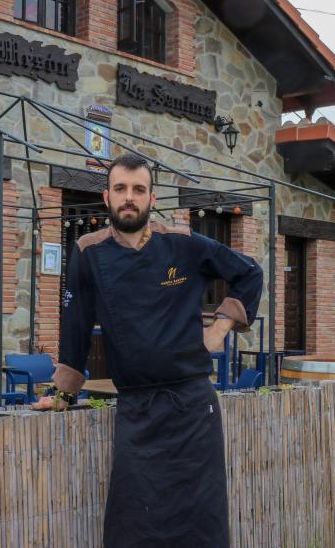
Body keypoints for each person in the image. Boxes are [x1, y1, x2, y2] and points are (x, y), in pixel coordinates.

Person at [34, 152, 263, 547]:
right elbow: (76, 325)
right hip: (137, 410)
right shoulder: (89, 251)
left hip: (193, 408)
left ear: (152, 199)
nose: (129, 197)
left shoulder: (183, 244)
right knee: (133, 528)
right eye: (121, 188)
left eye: (138, 189)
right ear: (106, 197)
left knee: (202, 527)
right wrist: (64, 391)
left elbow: (250, 272)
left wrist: (221, 325)